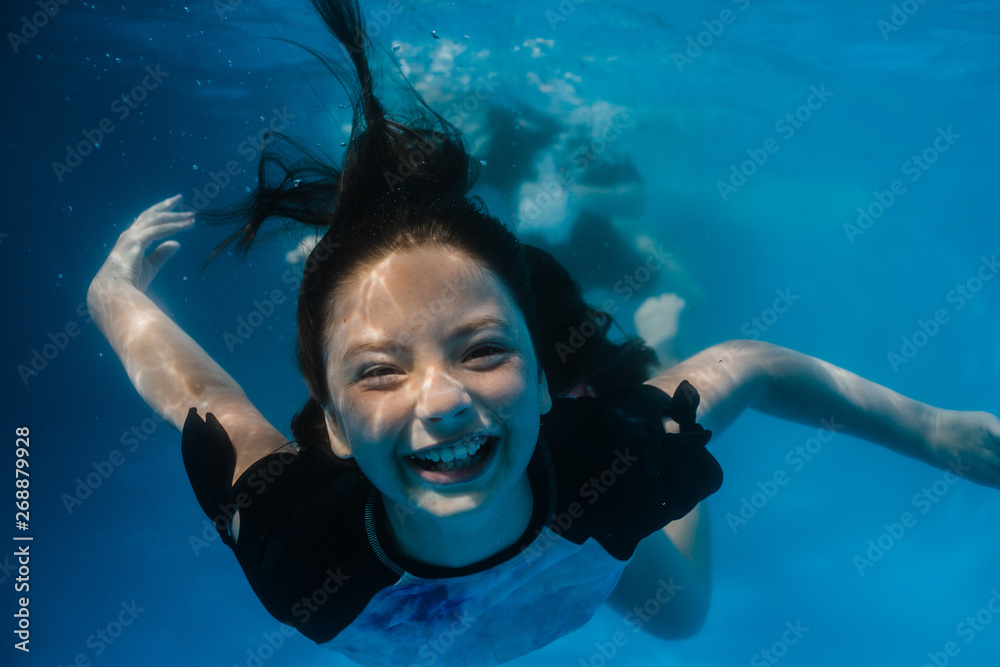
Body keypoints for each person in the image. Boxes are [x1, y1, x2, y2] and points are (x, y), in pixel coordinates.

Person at [87, 1, 1000, 664]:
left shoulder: (612, 466)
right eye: (378, 370)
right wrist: (111, 288)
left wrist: (938, 433)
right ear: (324, 422)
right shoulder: (297, 548)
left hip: (598, 495)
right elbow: (199, 394)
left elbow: (750, 365)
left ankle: (634, 356)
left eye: (483, 349)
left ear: (538, 370)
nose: (440, 401)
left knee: (684, 618)